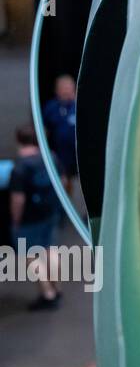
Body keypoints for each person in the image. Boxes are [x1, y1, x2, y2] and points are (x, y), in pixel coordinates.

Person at [8, 124, 69, 310]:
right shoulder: (50, 156)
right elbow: (63, 181)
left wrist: (16, 219)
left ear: (19, 141)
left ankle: (47, 294)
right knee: (50, 249)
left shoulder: (19, 167)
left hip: (30, 218)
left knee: (30, 256)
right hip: (50, 212)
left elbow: (18, 199)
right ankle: (57, 287)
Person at [41, 74, 78, 180]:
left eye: (69, 88)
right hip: (59, 156)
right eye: (63, 88)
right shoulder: (51, 107)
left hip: (78, 155)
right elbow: (44, 130)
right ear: (57, 90)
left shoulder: (79, 105)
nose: (66, 91)